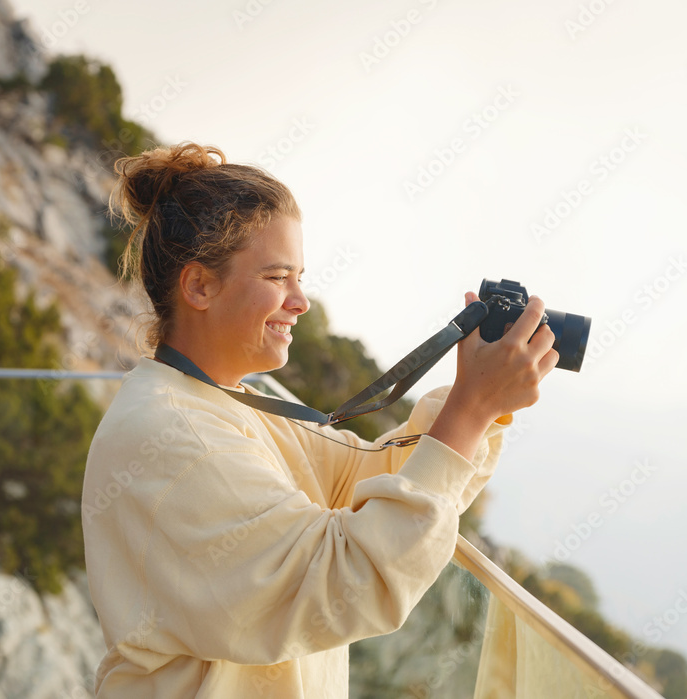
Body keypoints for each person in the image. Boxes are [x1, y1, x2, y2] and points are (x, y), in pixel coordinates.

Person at [81, 142, 558, 698]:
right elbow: (343, 582)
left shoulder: (219, 403)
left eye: (298, 276)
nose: (301, 300)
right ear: (200, 286)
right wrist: (469, 409)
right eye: (278, 276)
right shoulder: (173, 437)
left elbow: (375, 478)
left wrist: (483, 400)